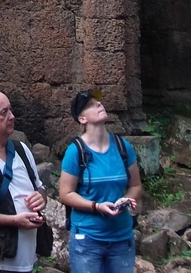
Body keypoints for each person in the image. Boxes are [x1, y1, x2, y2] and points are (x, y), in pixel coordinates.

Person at [58, 89, 142, 273]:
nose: (99, 104)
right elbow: (66, 193)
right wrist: (96, 206)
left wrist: (126, 199)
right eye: (91, 105)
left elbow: (135, 185)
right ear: (82, 119)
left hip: (122, 237)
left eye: (98, 102)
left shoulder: (122, 146)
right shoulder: (75, 151)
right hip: (87, 239)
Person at [0, 89, 46, 273]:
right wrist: (15, 221)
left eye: (10, 110)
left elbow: (40, 187)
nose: (12, 116)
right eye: (4, 112)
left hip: (29, 259)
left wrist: (41, 197)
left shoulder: (22, 149)